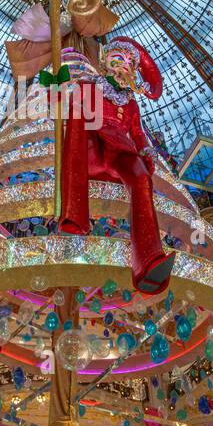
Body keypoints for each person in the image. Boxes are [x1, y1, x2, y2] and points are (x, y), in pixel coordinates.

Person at [59, 36, 175, 295]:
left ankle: (148, 261)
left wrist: (145, 151)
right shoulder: (90, 88)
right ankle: (73, 217)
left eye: (128, 62)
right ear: (104, 62)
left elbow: (138, 134)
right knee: (77, 106)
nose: (122, 64)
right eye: (116, 58)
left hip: (119, 156)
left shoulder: (131, 105)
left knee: (142, 178)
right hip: (91, 151)